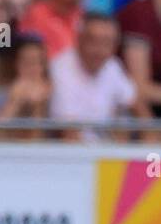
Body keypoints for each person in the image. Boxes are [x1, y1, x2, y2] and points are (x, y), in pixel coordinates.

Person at [49, 12, 144, 140]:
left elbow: (139, 108)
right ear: (79, 39)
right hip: (71, 154)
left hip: (105, 151)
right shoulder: (60, 68)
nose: (100, 50)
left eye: (107, 43)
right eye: (94, 41)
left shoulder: (112, 66)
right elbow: (68, 133)